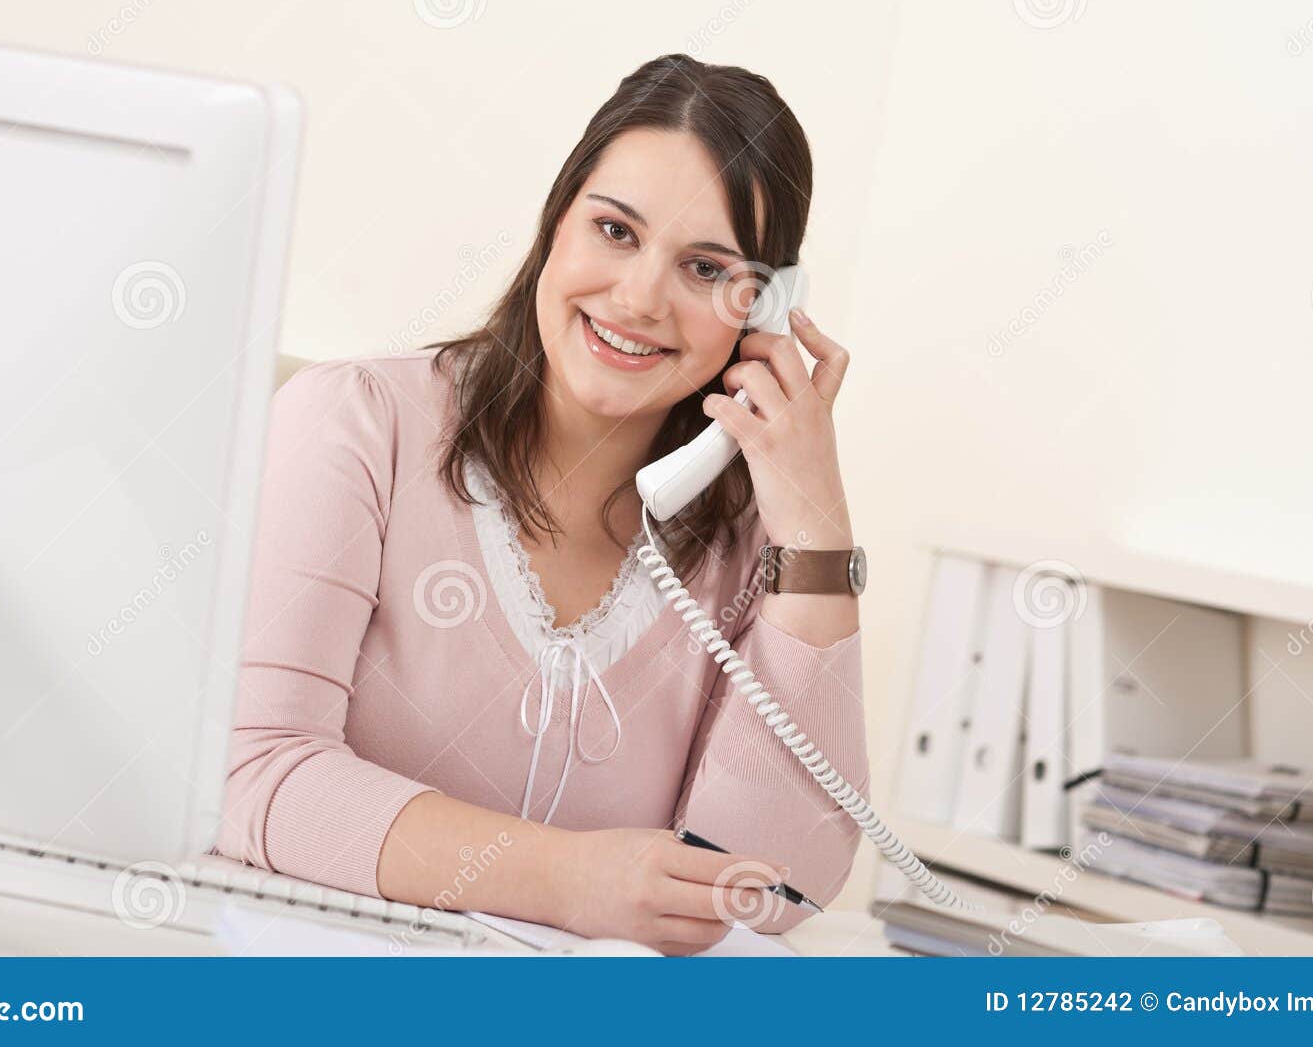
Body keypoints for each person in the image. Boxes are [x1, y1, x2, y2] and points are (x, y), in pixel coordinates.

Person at [215, 53, 869, 955]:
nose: (639, 298)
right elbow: (251, 771)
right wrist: (567, 879)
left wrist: (817, 528)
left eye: (705, 266)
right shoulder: (357, 425)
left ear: (762, 311)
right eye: (614, 230)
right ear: (555, 225)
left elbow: (765, 885)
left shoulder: (753, 548)